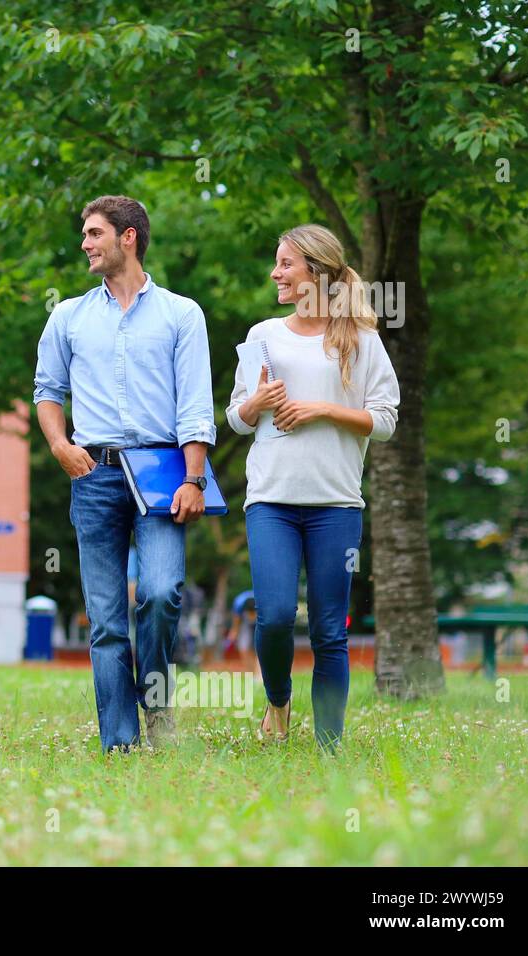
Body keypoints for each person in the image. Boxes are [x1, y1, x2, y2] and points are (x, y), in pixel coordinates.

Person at [34, 195, 216, 752]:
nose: (85, 244)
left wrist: (194, 478)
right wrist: (60, 445)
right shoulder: (68, 315)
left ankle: (155, 700)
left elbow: (195, 404)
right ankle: (120, 741)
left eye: (94, 233)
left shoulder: (182, 314)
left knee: (161, 592)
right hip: (93, 473)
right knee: (107, 619)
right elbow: (47, 390)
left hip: (162, 472)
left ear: (128, 236)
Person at [226, 223, 399, 750]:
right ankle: (278, 701)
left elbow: (386, 419)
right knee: (275, 615)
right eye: (277, 264)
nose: (276, 273)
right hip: (272, 501)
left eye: (286, 264)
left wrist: (322, 409)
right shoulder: (263, 337)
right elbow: (236, 417)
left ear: (317, 273)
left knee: (329, 630)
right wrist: (255, 404)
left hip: (336, 504)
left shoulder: (362, 341)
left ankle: (329, 744)